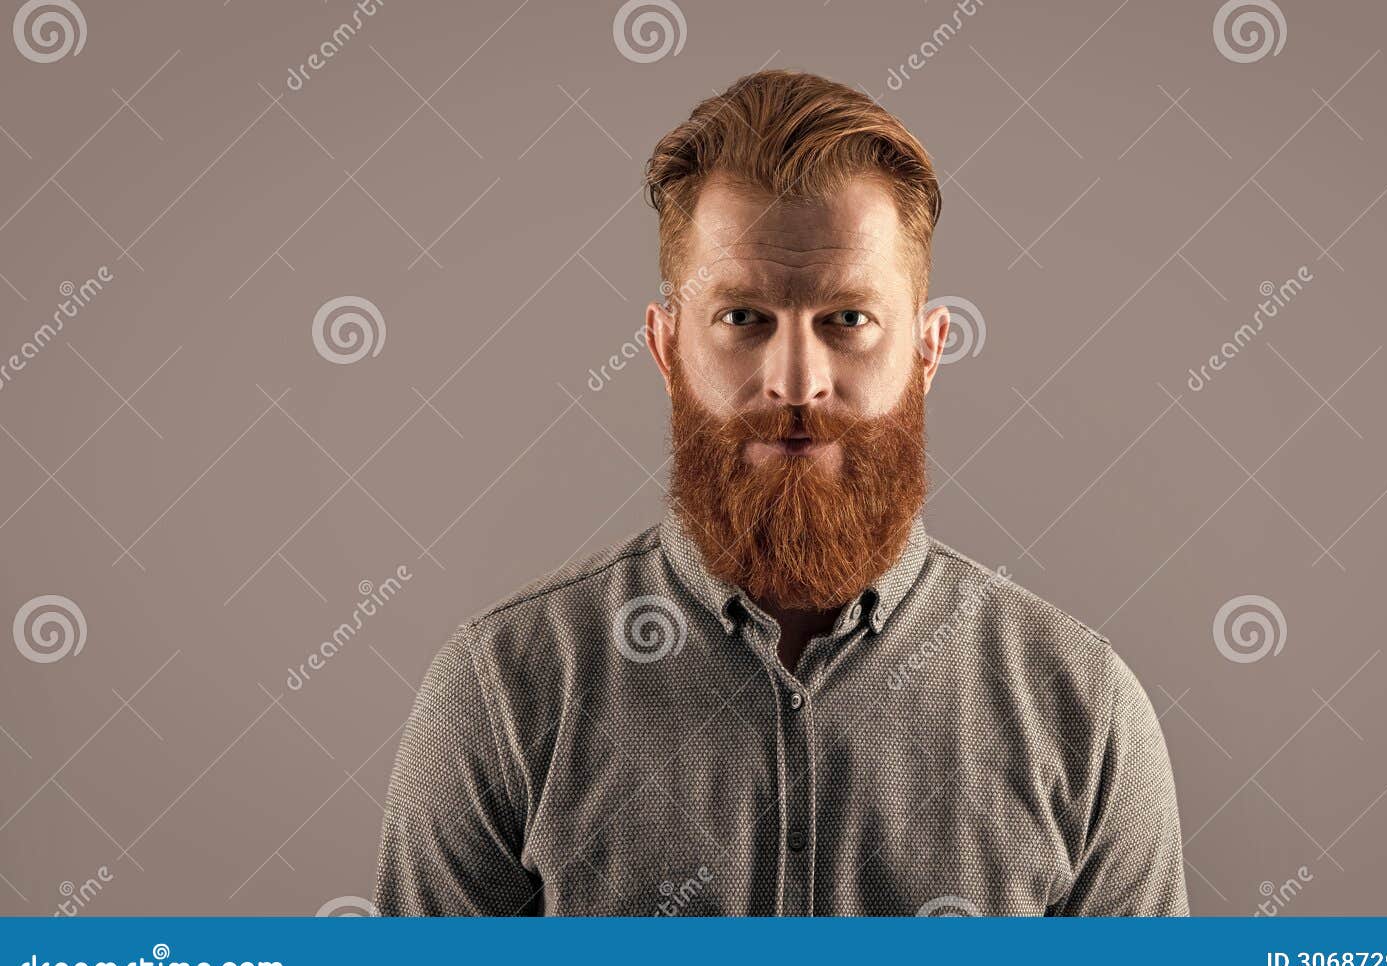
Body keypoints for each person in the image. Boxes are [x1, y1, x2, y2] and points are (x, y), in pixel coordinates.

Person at [374, 69, 1188, 917]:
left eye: (848, 319)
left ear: (928, 350)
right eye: (743, 318)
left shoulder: (1085, 712)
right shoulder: (502, 693)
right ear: (666, 349)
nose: (796, 383)